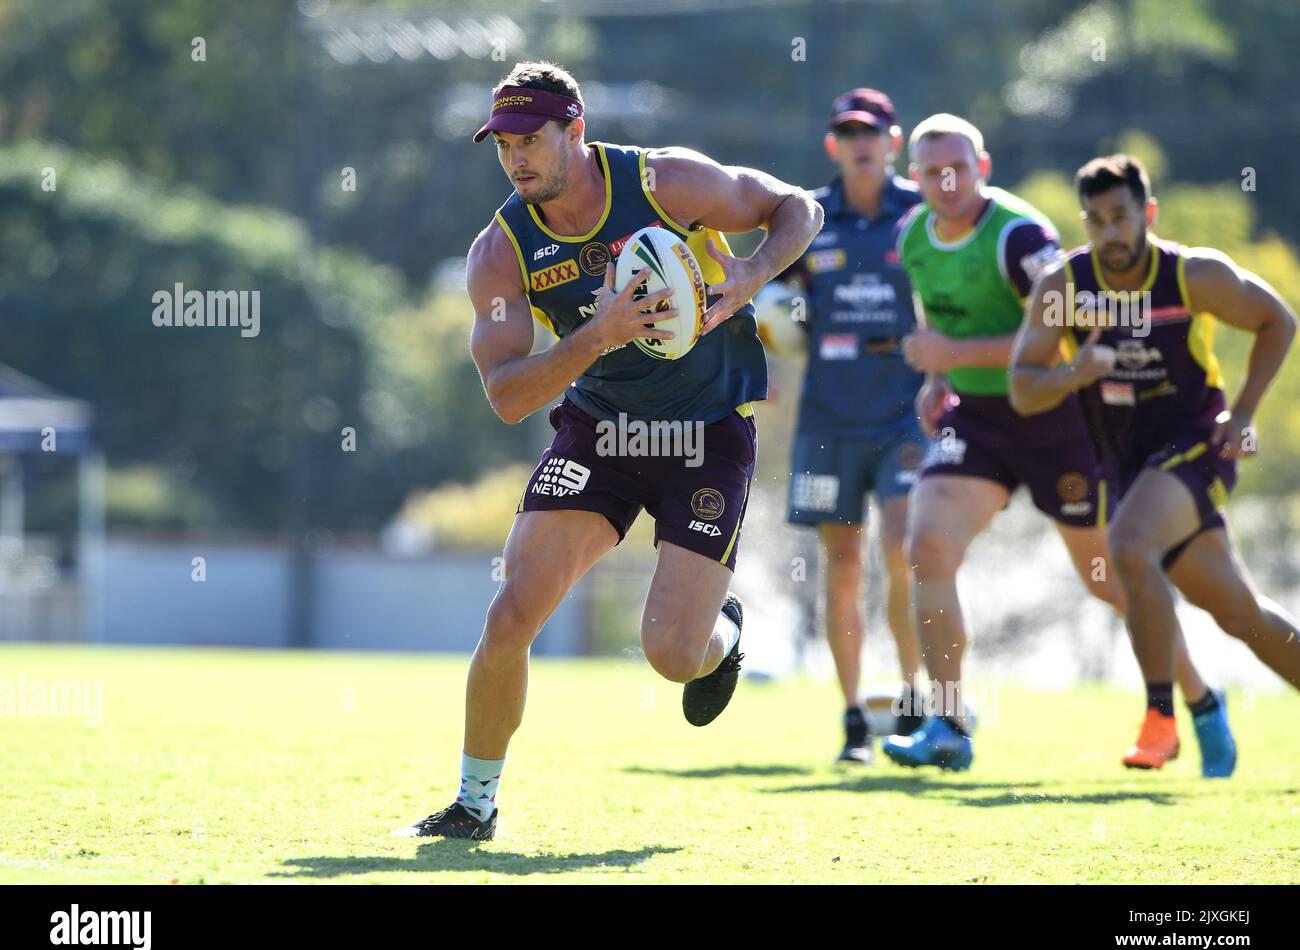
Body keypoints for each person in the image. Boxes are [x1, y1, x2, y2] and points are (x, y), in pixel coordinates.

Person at [397, 61, 822, 839]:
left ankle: (718, 637)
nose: (516, 157)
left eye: (531, 139)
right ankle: (474, 804)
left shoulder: (664, 183)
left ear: (575, 130)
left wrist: (755, 272)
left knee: (670, 652)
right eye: (503, 145)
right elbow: (507, 395)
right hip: (601, 431)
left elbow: (798, 207)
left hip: (708, 430)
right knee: (512, 613)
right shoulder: (501, 251)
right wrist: (599, 335)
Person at [881, 115, 1217, 771]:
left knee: (1110, 582)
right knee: (926, 545)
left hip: (1057, 419)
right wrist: (940, 376)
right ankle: (948, 722)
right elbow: (936, 316)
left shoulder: (1021, 237)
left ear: (984, 166)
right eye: (930, 171)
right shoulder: (912, 237)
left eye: (958, 166)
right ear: (913, 177)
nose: (945, 182)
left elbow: (1063, 334)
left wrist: (951, 350)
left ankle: (1199, 700)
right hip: (976, 420)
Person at [1009, 153, 1298, 775]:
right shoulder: (1065, 289)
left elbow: (1279, 320)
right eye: (1096, 220)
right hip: (1133, 471)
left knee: (1130, 544)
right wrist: (1072, 372)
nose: (1110, 233)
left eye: (1121, 216)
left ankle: (1161, 718)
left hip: (1197, 448)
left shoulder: (1192, 275)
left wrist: (1243, 413)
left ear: (1149, 213)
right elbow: (1023, 389)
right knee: (1240, 614)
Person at [759, 89, 925, 763]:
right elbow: (766, 295)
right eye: (849, 132)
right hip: (828, 415)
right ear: (834, 144)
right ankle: (855, 719)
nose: (861, 142)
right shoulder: (810, 217)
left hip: (907, 410)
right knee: (844, 563)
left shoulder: (923, 214)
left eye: (873, 131)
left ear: (895, 138)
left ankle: (918, 702)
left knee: (907, 552)